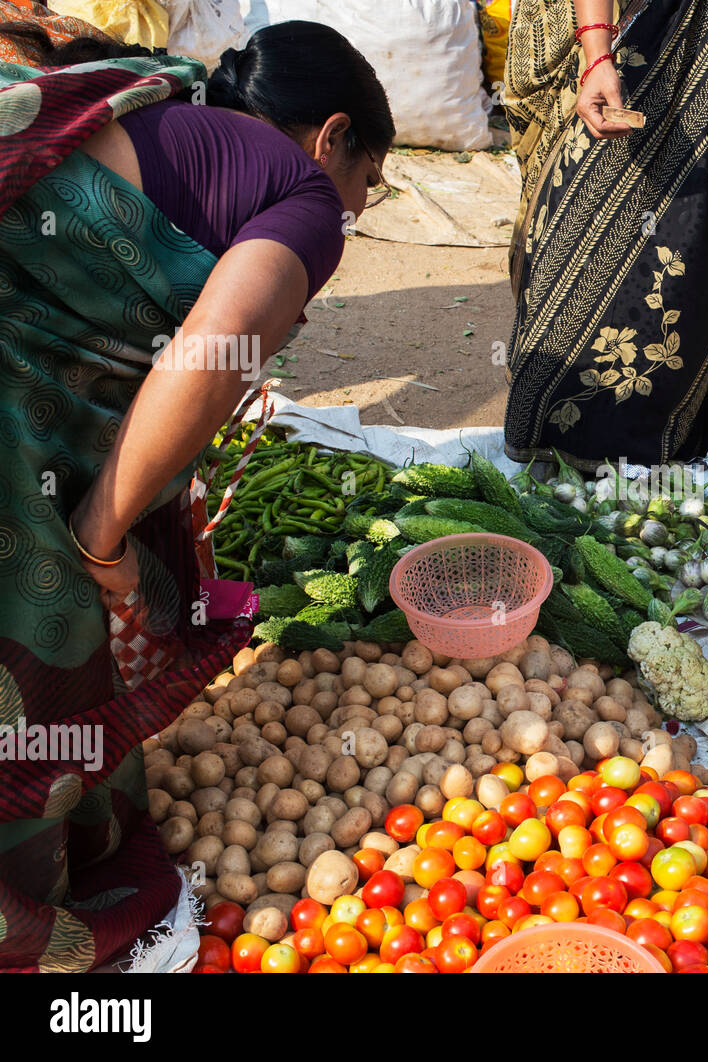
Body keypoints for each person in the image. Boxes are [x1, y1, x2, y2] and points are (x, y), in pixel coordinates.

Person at [0, 15, 393, 971]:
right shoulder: (304, 196)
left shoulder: (164, 108)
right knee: (47, 628)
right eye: (368, 182)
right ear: (332, 136)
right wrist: (103, 533)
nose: (357, 208)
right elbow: (215, 350)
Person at [500, 0, 708, 472]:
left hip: (698, 41)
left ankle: (648, 456)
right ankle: (551, 440)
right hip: (622, 34)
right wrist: (597, 51)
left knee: (686, 244)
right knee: (578, 230)